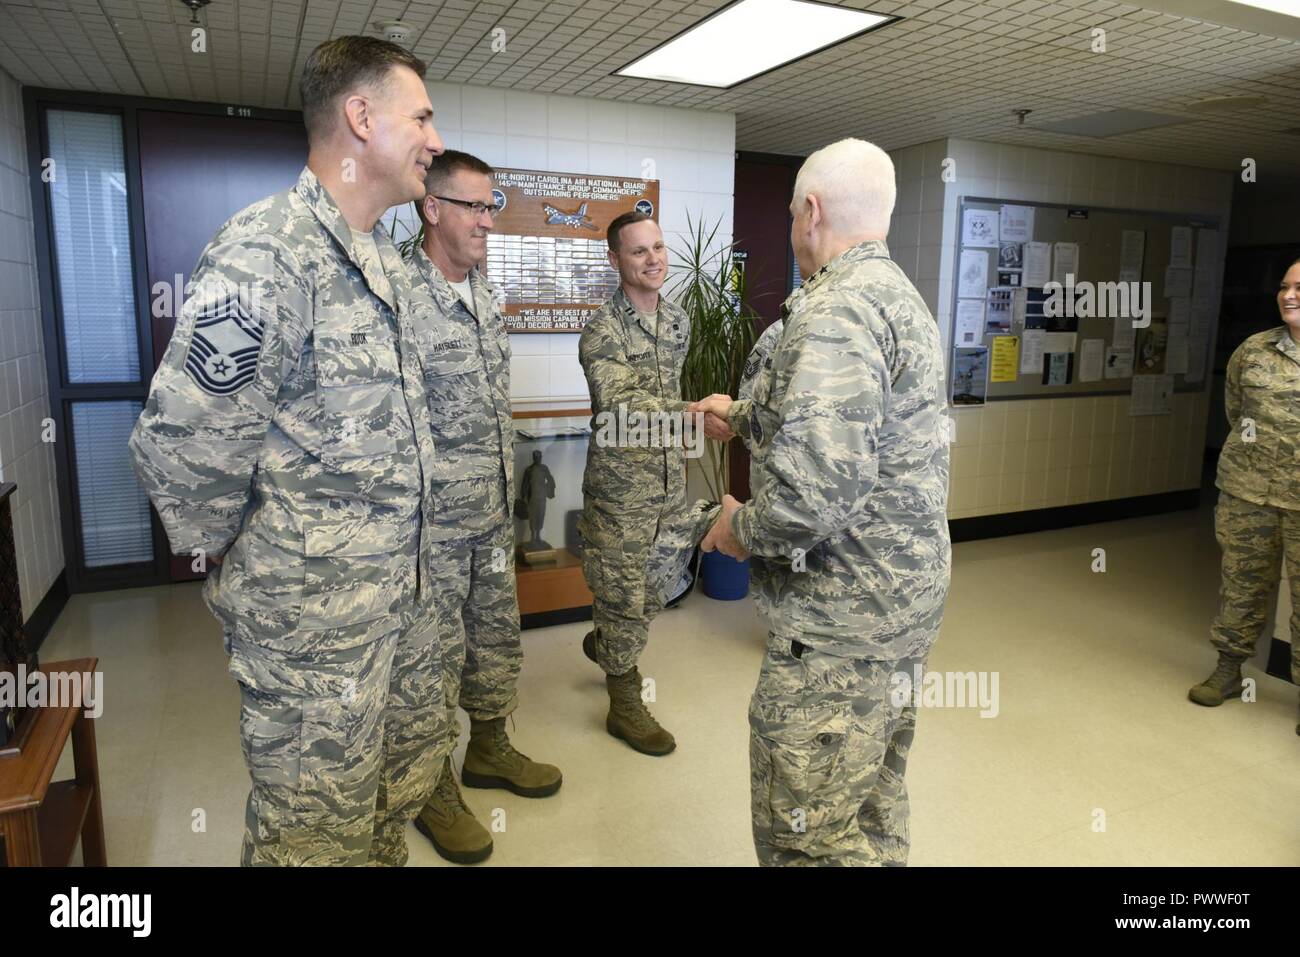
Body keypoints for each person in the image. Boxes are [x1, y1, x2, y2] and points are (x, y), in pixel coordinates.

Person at [129, 36, 446, 867]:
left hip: (393, 617)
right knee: (307, 846)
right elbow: (182, 452)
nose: (435, 140)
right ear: (361, 116)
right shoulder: (265, 252)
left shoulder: (382, 257)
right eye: (422, 116)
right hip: (312, 641)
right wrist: (270, 563)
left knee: (375, 825)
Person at [692, 138, 951, 866]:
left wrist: (738, 527)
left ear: (811, 211)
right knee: (872, 802)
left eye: (790, 214)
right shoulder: (899, 298)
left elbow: (814, 495)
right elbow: (854, 427)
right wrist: (741, 413)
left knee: (806, 835)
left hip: (838, 628)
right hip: (899, 613)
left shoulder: (833, 310)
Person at [406, 150, 562, 864]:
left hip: (491, 514)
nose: (487, 221)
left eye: (491, 206)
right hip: (430, 527)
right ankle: (432, 787)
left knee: (496, 637)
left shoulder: (486, 292)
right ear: (432, 207)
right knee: (432, 660)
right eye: (473, 205)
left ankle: (490, 748)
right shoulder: (398, 294)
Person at [578, 211, 719, 756]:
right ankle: (624, 702)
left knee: (658, 585)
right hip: (619, 491)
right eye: (639, 251)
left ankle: (607, 644)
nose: (653, 259)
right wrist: (691, 414)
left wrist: (688, 437)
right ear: (616, 261)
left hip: (666, 483)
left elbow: (669, 392)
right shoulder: (602, 331)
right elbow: (620, 406)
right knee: (621, 595)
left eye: (658, 247)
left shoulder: (678, 321)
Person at [1190, 256, 1300, 735]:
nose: (1288, 295)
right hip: (1248, 493)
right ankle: (1229, 670)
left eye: (1299, 288)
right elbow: (1238, 414)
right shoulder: (1254, 350)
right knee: (1241, 586)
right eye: (1284, 286)